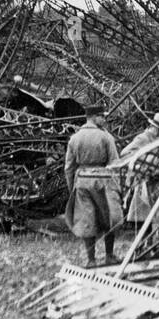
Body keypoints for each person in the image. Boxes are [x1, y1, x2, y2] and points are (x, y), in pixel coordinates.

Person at [64, 103, 124, 267]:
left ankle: (91, 260)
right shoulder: (106, 137)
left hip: (82, 180)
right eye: (102, 116)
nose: (104, 119)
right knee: (109, 217)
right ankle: (109, 255)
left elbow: (68, 167)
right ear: (94, 117)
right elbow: (115, 163)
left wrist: (72, 188)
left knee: (86, 219)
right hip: (103, 179)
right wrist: (118, 186)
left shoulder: (74, 138)